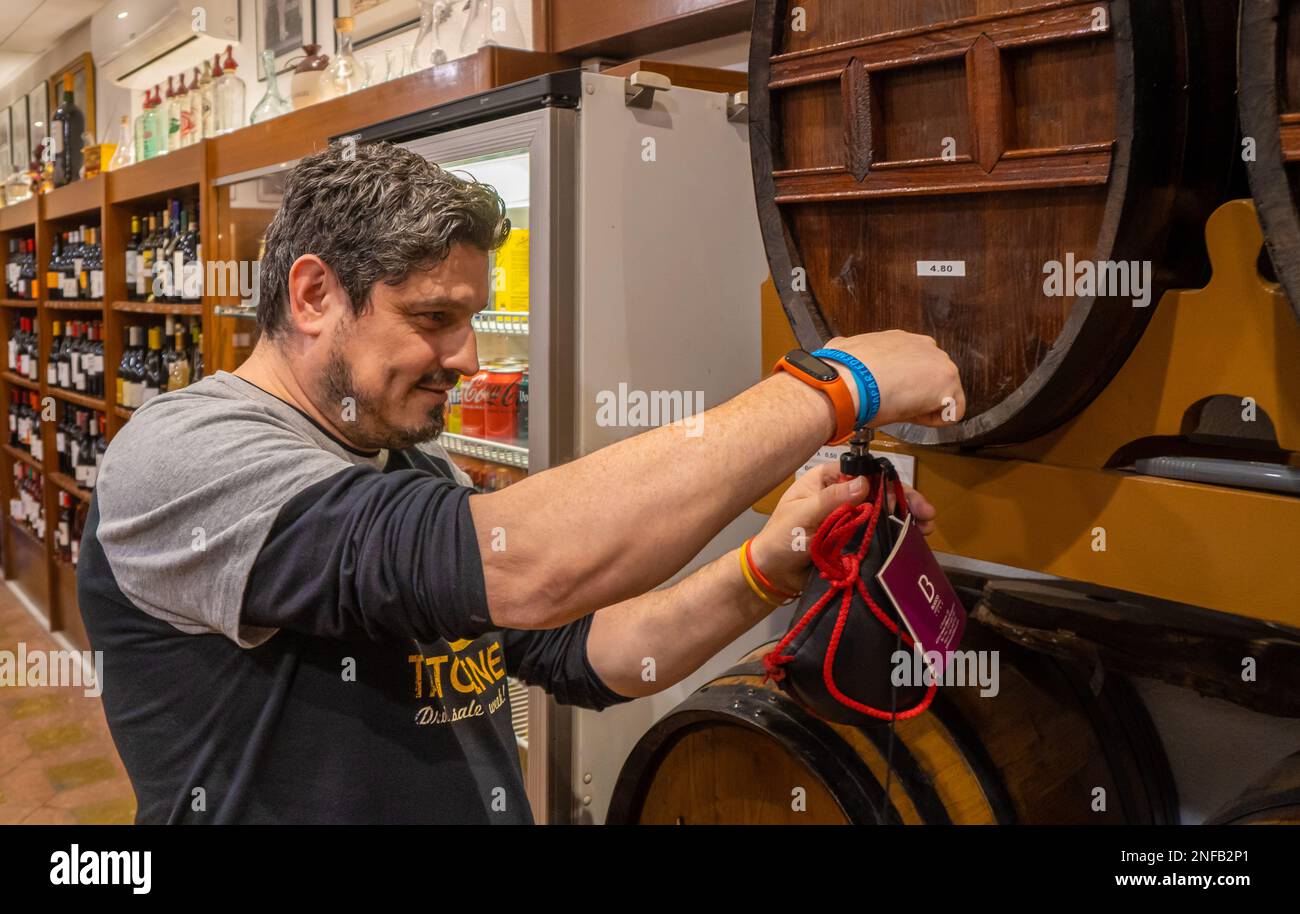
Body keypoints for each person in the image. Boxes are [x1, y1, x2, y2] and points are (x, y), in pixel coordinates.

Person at [78, 142, 964, 823]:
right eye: (432, 317)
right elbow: (528, 562)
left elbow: (584, 654)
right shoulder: (188, 456)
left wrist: (767, 569)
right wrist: (834, 386)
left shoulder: (410, 464)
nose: (464, 357)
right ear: (313, 296)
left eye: (470, 319)